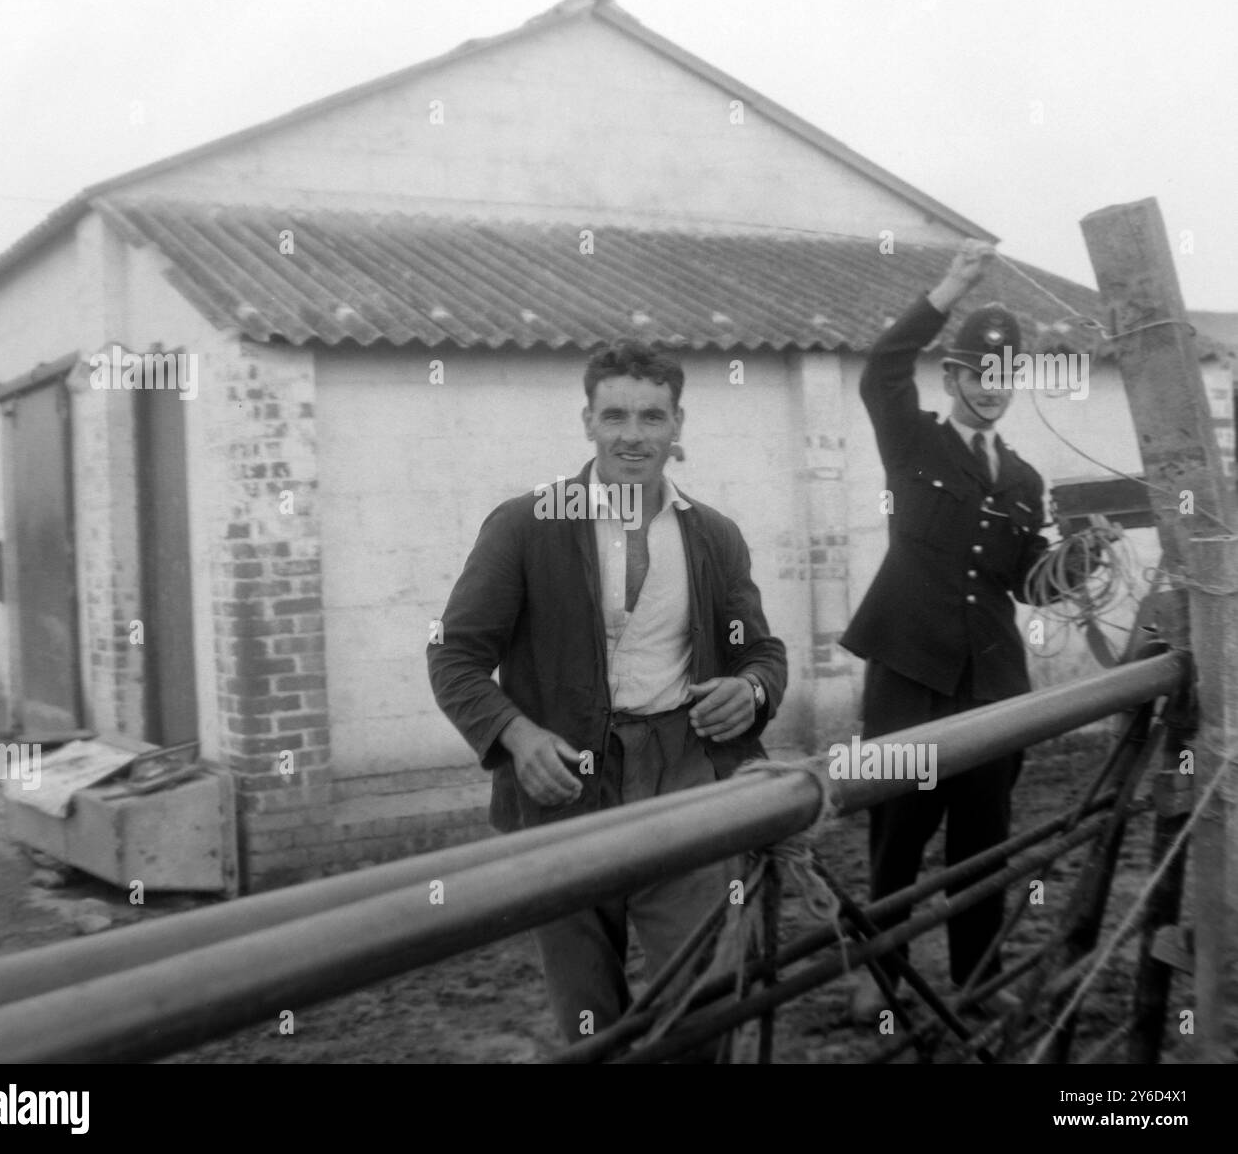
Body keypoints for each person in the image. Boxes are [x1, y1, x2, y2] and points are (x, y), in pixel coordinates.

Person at [427, 339, 787, 1045]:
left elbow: (762, 652)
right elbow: (454, 655)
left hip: (684, 777)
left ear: (677, 426)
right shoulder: (526, 525)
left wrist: (750, 689)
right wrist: (517, 735)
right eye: (615, 415)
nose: (633, 435)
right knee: (588, 1017)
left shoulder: (712, 535)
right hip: (562, 793)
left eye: (652, 417)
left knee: (701, 999)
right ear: (586, 421)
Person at [840, 239, 1070, 1024]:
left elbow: (1030, 581)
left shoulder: (1024, 479)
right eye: (982, 373)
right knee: (897, 834)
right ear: (955, 376)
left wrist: (1079, 557)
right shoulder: (914, 441)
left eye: (1007, 377)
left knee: (985, 840)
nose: (995, 390)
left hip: (992, 682)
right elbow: (881, 368)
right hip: (909, 673)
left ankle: (978, 978)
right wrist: (951, 286)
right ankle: (878, 975)